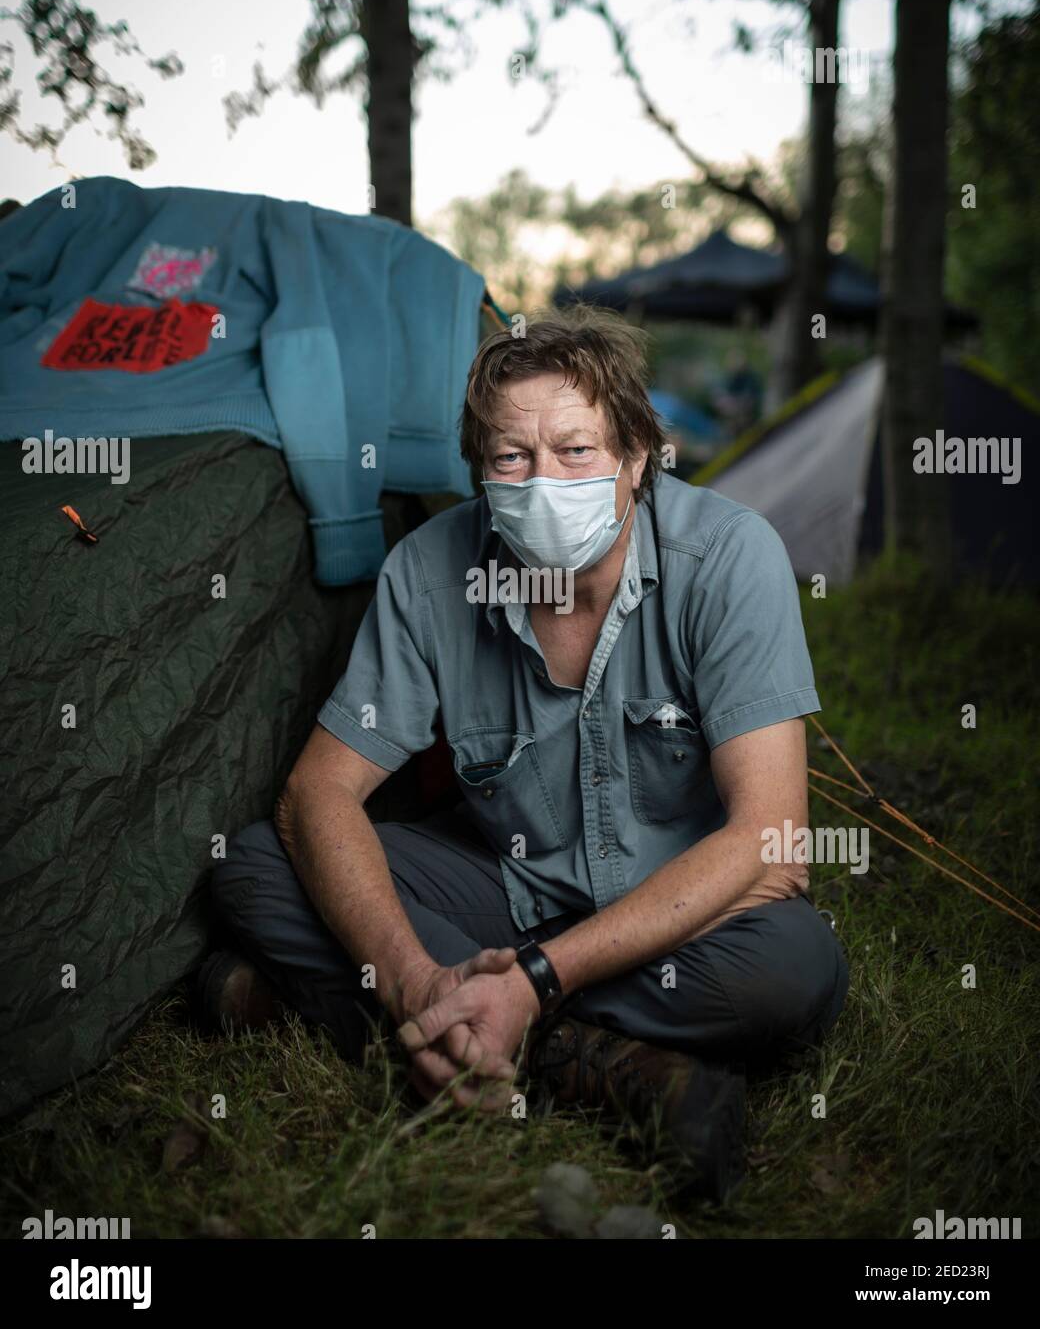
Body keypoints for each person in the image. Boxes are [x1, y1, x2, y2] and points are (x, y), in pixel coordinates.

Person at [196, 304, 849, 1201]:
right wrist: (422, 979)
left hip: (680, 912)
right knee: (259, 864)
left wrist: (540, 979)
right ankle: (586, 1060)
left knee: (794, 972)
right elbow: (317, 796)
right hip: (507, 888)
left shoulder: (731, 557)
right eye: (512, 457)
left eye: (576, 451)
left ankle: (395, 1013)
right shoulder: (429, 572)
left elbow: (771, 842)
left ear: (635, 455)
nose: (544, 481)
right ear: (479, 472)